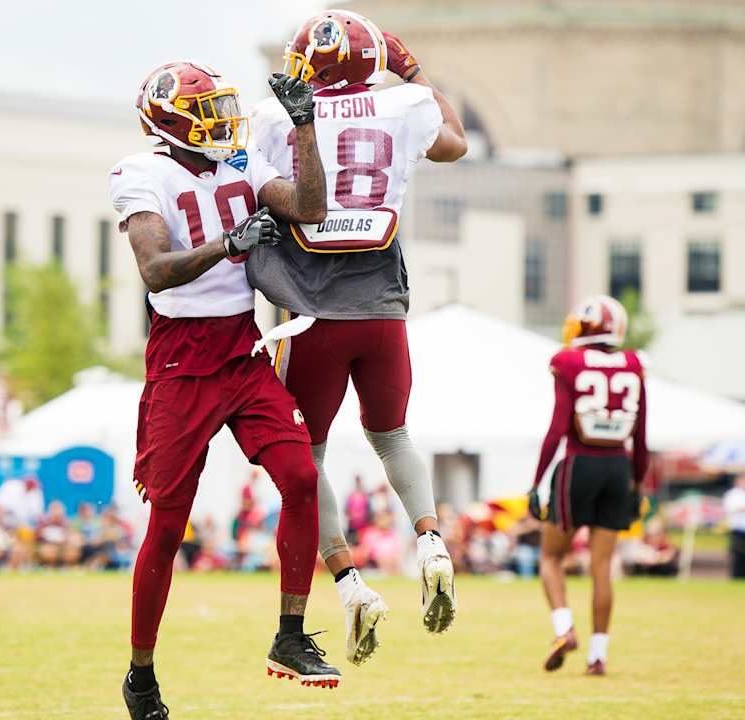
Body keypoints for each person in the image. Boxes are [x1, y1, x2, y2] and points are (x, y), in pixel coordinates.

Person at [110, 60, 336, 717]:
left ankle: (290, 637)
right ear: (171, 123)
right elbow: (155, 269)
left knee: (299, 478)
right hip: (181, 362)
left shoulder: (236, 157)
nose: (221, 121)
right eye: (204, 110)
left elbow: (310, 207)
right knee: (168, 525)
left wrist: (303, 126)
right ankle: (142, 674)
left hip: (242, 348)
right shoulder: (141, 173)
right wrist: (228, 243)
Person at [247, 9, 468, 665]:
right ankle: (430, 540)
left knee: (305, 454)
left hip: (311, 313)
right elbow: (454, 140)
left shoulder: (270, 116)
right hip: (383, 308)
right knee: (392, 432)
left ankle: (349, 585)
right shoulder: (404, 105)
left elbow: (254, 191)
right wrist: (415, 70)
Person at [530, 295, 648, 677]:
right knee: (601, 567)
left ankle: (565, 629)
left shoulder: (569, 362)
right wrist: (637, 485)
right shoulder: (634, 364)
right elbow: (641, 438)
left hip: (580, 464)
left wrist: (537, 482)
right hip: (618, 466)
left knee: (550, 557)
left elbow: (557, 428)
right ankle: (598, 655)